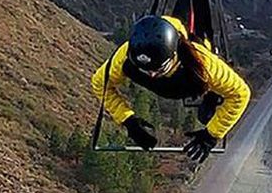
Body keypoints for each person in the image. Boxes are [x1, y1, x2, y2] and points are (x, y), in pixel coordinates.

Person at [91, 14, 250, 162]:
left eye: (159, 70)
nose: (152, 75)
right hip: (172, 79)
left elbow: (240, 94)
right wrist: (127, 120)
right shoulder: (125, 57)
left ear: (174, 55)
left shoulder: (203, 63)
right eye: (145, 70)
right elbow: (99, 83)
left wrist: (211, 135)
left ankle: (211, 95)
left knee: (206, 116)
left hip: (188, 80)